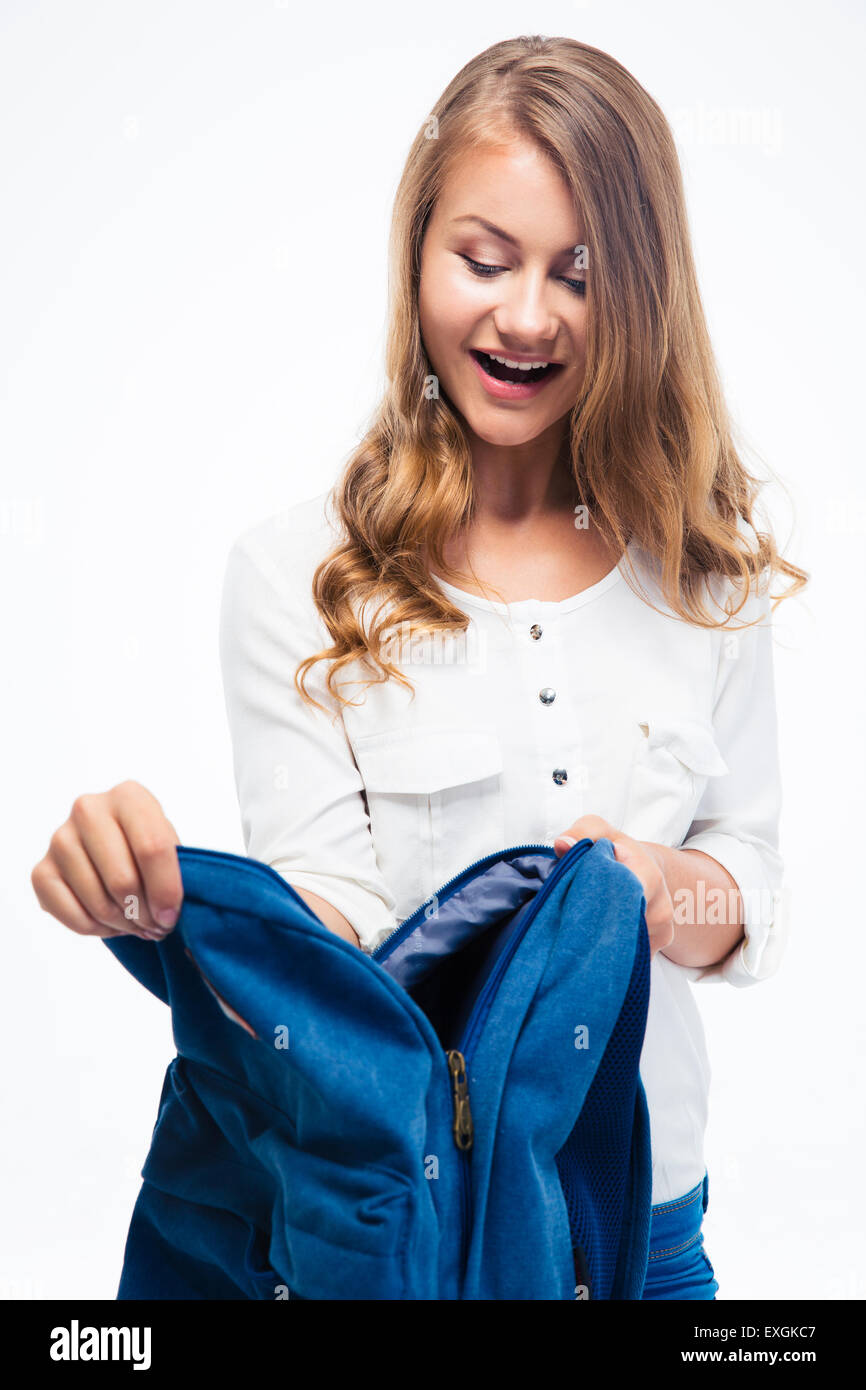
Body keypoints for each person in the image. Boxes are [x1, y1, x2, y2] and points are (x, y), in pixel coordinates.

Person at [31, 35, 807, 1299]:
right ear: (416, 260)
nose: (524, 315)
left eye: (579, 272)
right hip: (408, 1247)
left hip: (644, 1241)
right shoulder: (293, 573)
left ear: (646, 291)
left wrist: (660, 890)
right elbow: (324, 922)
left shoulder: (706, 574)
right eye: (483, 259)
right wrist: (183, 904)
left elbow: (755, 892)